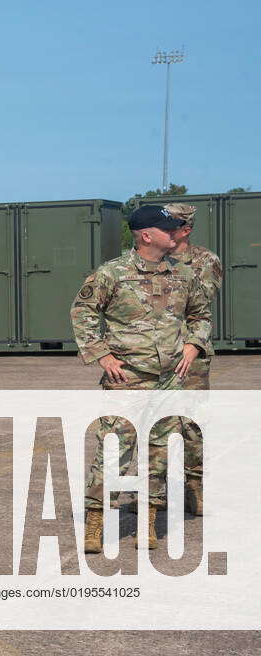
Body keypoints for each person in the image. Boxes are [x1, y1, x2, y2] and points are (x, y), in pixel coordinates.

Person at [72, 205, 211, 552]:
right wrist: (101, 354)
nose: (176, 232)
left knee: (159, 455)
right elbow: (83, 311)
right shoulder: (112, 274)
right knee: (113, 453)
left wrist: (195, 343)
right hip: (126, 380)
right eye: (169, 228)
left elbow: (200, 314)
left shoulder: (183, 274)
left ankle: (147, 524)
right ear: (147, 235)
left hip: (169, 380)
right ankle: (95, 524)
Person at [164, 202, 221, 515]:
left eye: (170, 224)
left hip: (190, 354)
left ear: (185, 229)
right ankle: (151, 493)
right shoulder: (146, 258)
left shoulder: (205, 261)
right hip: (149, 354)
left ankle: (194, 488)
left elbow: (197, 304)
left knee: (191, 424)